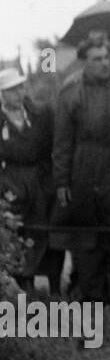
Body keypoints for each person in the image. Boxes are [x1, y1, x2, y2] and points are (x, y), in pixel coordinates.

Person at [52, 31, 110, 303]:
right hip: (85, 167)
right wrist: (62, 182)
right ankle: (91, 293)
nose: (104, 63)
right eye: (96, 58)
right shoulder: (70, 93)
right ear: (83, 62)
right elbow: (62, 142)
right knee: (87, 235)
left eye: (106, 57)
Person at [0, 68, 60, 296]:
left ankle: (54, 286)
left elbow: (52, 146)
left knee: (45, 229)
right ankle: (25, 284)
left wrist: (49, 181)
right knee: (17, 232)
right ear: (2, 94)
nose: (17, 93)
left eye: (19, 88)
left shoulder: (40, 114)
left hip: (40, 180)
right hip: (11, 181)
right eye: (11, 90)